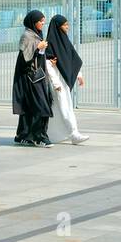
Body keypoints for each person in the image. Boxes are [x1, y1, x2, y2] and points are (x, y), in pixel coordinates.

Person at [42, 14, 89, 144]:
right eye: (65, 25)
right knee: (64, 106)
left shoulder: (64, 40)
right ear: (58, 26)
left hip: (63, 80)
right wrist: (55, 82)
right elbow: (47, 64)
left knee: (59, 108)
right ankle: (74, 133)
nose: (67, 27)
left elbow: (72, 58)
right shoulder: (50, 43)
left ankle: (51, 135)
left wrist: (79, 75)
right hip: (57, 81)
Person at [12, 9, 53, 146]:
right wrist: (37, 47)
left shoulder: (37, 35)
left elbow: (38, 57)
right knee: (41, 106)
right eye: (40, 21)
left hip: (38, 78)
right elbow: (24, 59)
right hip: (28, 78)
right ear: (33, 22)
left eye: (43, 21)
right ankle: (40, 137)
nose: (43, 23)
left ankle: (24, 135)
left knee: (31, 108)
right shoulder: (27, 36)